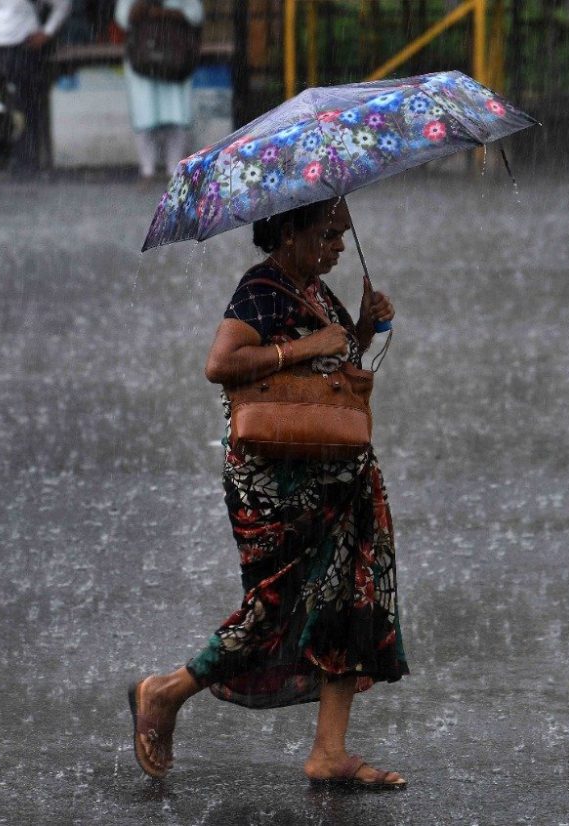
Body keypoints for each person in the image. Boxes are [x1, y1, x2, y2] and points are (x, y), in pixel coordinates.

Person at [127, 197, 409, 789]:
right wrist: (310, 345)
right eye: (329, 234)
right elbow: (221, 363)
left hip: (337, 475)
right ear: (290, 233)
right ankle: (167, 690)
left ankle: (329, 752)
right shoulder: (263, 287)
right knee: (274, 608)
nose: (337, 246)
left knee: (348, 600)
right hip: (278, 485)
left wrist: (359, 328)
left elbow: (331, 368)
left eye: (342, 236)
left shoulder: (314, 290)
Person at [0, 0, 72, 176]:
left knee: (26, 108)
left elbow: (63, 5)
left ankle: (27, 162)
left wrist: (47, 33)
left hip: (25, 48)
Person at [113, 0, 203, 181]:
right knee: (144, 116)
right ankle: (147, 171)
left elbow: (196, 15)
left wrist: (167, 14)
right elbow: (122, 19)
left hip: (175, 56)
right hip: (142, 56)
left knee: (177, 116)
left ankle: (174, 171)